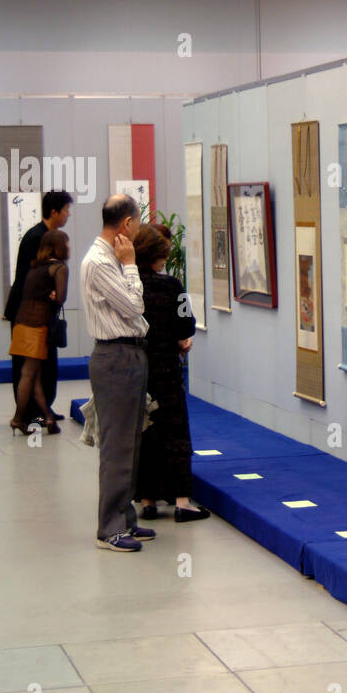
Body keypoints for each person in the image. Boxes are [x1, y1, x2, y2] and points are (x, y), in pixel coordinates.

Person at [81, 193, 156, 553]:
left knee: (132, 442)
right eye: (137, 222)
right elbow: (134, 305)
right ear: (126, 224)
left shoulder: (109, 258)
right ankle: (109, 529)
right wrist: (131, 263)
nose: (138, 229)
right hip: (115, 357)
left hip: (128, 355)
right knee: (117, 446)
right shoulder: (100, 261)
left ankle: (125, 518)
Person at [132, 224, 209, 523]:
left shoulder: (129, 286)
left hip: (138, 367)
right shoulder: (172, 286)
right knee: (175, 431)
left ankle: (147, 500)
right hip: (167, 367)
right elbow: (185, 326)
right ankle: (181, 501)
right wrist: (180, 341)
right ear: (160, 255)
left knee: (146, 431)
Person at [5, 191, 73, 424]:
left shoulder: (44, 235)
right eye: (66, 210)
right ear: (54, 212)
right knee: (29, 368)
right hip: (32, 313)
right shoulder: (38, 237)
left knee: (41, 367)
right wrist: (51, 295)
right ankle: (28, 412)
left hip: (36, 312)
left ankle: (42, 410)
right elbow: (30, 279)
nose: (68, 214)